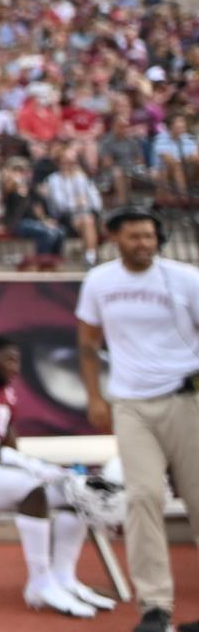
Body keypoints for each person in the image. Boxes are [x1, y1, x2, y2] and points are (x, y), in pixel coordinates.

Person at [77, 206, 199, 632]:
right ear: (115, 239)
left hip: (187, 400)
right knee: (143, 496)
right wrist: (94, 396)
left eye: (150, 236)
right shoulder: (99, 282)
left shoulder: (186, 278)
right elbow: (88, 343)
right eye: (135, 237)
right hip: (130, 404)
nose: (144, 244)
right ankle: (155, 605)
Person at [0, 334, 110, 616]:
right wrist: (13, 459)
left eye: (19, 361)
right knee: (33, 489)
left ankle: (64, 578)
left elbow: (12, 448)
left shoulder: (7, 394)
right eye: (10, 359)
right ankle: (39, 582)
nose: (15, 368)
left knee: (74, 492)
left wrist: (40, 467)